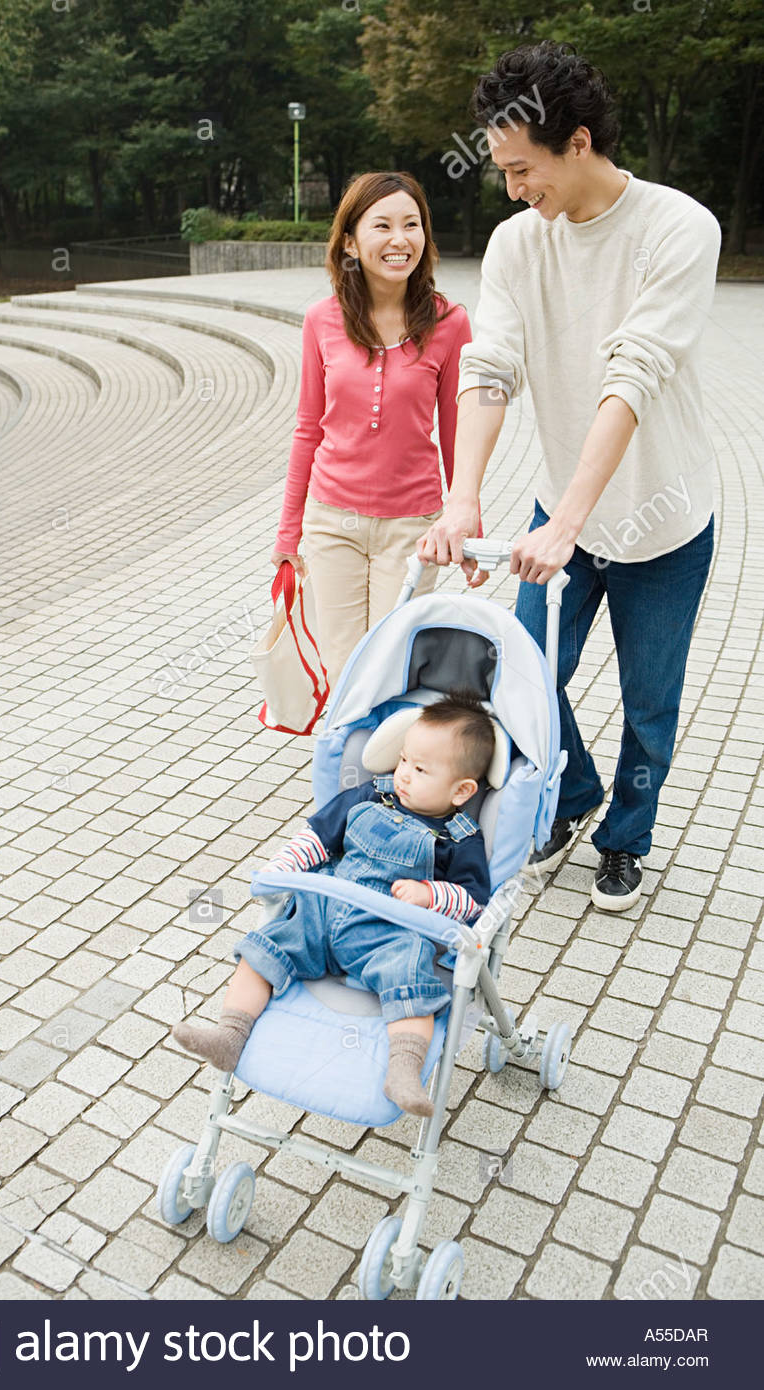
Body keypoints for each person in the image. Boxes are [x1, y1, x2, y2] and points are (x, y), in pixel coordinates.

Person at [418, 40, 721, 913]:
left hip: (664, 522)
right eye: (502, 171)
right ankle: (576, 796)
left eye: (522, 169)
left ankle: (626, 838)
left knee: (648, 706)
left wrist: (571, 521)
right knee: (523, 678)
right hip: (566, 511)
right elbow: (491, 368)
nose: (512, 189)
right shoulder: (519, 244)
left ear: (578, 142)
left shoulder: (678, 228)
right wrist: (465, 496)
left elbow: (632, 377)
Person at [172, 692, 493, 1116]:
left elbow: (474, 900)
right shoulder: (368, 797)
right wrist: (282, 871)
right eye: (402, 761)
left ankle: (403, 1071)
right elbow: (317, 838)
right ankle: (229, 1037)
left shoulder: (458, 837)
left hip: (387, 931)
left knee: (411, 981)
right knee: (261, 950)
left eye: (420, 769)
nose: (404, 775)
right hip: (322, 913)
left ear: (461, 790)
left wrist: (432, 894)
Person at [272, 171, 473, 692]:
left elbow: (456, 433)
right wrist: (288, 532)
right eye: (381, 225)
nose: (399, 239)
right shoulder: (322, 320)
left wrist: (464, 522)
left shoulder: (449, 322)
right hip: (332, 521)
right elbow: (306, 429)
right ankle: (351, 771)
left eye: (412, 225)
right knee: (343, 666)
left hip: (413, 527)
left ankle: (391, 772)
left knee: (395, 663)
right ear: (350, 242)